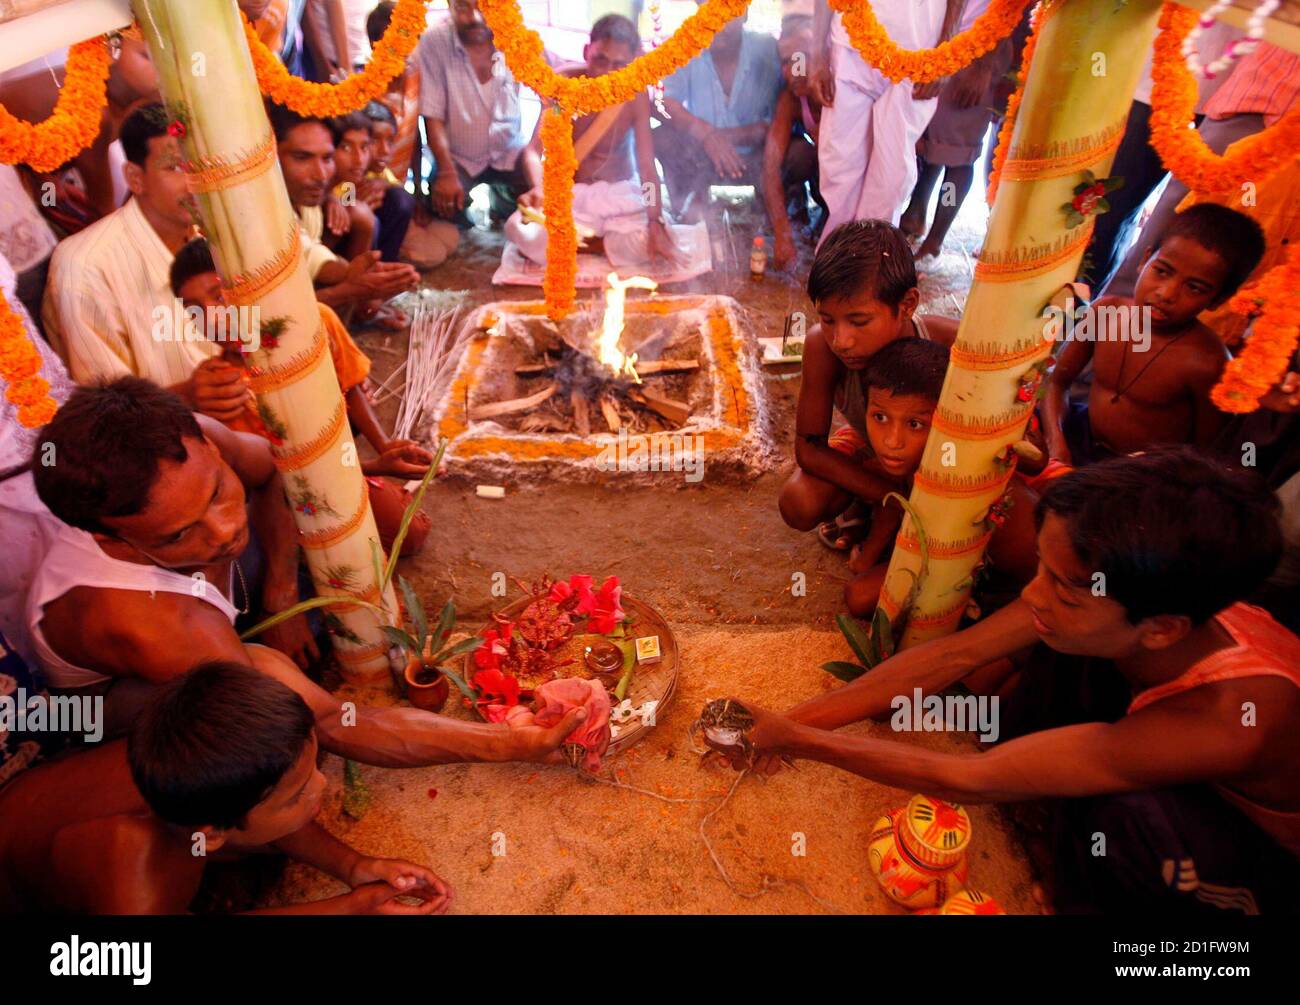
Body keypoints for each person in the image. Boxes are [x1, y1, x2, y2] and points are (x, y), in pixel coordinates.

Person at [729, 449, 1300, 914]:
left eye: (1063, 588)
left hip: (1256, 862)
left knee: (1128, 816)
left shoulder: (1233, 720)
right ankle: (1052, 820)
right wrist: (788, 721)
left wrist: (801, 742)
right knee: (1058, 645)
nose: (1032, 593)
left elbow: (974, 779)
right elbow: (953, 656)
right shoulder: (1120, 603)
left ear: (1163, 629)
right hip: (1133, 709)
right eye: (1042, 572)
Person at [23, 379, 587, 766]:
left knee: (391, 523)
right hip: (135, 703)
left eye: (219, 493)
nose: (222, 531)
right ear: (108, 536)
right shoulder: (149, 622)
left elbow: (274, 474)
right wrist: (502, 744)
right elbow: (333, 721)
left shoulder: (190, 439)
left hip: (227, 602)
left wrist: (278, 594)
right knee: (276, 720)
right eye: (179, 533)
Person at [0, 663, 453, 914]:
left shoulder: (195, 760)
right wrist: (351, 910)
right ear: (211, 833)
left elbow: (253, 807)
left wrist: (354, 865)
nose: (321, 788)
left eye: (313, 768)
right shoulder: (140, 882)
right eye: (297, 795)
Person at [169, 237, 435, 554]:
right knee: (393, 534)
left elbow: (349, 384)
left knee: (411, 532)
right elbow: (281, 475)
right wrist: (374, 466)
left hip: (334, 460)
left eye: (219, 297)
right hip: (285, 497)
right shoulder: (222, 388)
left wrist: (383, 445)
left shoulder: (316, 320)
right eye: (195, 311)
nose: (211, 318)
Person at [40, 103, 249, 425]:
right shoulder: (84, 269)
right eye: (176, 167)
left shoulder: (215, 233)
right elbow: (104, 413)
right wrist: (187, 396)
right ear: (135, 178)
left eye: (203, 162)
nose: (197, 181)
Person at [778, 220, 957, 550]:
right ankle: (873, 505)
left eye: (859, 322)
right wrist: (890, 497)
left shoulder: (948, 343)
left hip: (936, 460)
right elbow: (809, 448)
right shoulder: (822, 348)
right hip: (869, 441)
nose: (841, 341)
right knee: (799, 503)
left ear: (906, 305)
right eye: (828, 320)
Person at [1042, 203, 1266, 466]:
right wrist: (1057, 443)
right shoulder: (1106, 312)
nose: (1166, 293)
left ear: (1219, 299)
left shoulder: (1209, 364)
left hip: (1141, 474)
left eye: (1194, 287)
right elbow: (1057, 382)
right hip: (1078, 436)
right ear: (1144, 259)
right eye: (1162, 271)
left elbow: (1206, 453)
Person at [840, 338, 1038, 616]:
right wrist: (868, 556)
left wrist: (868, 563)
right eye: (880, 417)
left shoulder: (955, 475)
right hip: (960, 556)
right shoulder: (908, 460)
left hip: (1029, 585)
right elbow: (896, 500)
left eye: (915, 424)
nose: (893, 441)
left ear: (945, 418)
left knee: (859, 597)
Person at [1104, 42, 1299, 300]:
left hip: (1261, 108)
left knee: (1263, 290)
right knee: (1166, 245)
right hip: (1261, 106)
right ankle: (1106, 337)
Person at [504, 15, 682, 269]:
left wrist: (655, 221)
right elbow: (533, 151)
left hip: (619, 195)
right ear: (587, 52)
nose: (607, 73)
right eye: (601, 59)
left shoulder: (636, 95)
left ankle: (582, 245)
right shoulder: (563, 86)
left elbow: (646, 168)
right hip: (570, 197)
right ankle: (600, 245)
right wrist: (540, 189)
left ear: (633, 62)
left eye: (619, 65)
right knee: (518, 228)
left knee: (655, 234)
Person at [810, 0, 976, 238]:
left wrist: (944, 56)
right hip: (850, 43)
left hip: (919, 53)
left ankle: (869, 261)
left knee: (891, 174)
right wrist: (816, 54)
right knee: (838, 165)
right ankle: (837, 260)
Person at [269, 102, 420, 319]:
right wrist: (354, 287)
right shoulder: (263, 212)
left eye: (327, 158)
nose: (320, 174)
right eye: (302, 158)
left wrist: (361, 278)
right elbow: (271, 316)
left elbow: (314, 255)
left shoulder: (317, 195)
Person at [656, 4, 783, 221]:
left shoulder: (768, 49)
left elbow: (786, 109)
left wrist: (723, 138)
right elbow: (664, 104)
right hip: (701, 153)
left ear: (744, 13)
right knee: (660, 137)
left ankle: (783, 211)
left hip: (759, 154)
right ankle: (686, 206)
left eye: (727, 11)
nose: (718, 23)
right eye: (710, 11)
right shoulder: (683, 46)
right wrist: (705, 134)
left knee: (801, 154)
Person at [416, 0, 535, 226]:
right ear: (450, 5)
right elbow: (432, 116)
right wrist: (447, 171)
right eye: (463, 7)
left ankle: (502, 205)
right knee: (442, 208)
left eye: (485, 6)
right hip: (459, 159)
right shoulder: (434, 42)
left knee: (541, 196)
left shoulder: (518, 36)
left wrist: (533, 150)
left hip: (510, 153)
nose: (475, 17)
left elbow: (554, 93)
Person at [899, 36, 1013, 261]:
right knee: (934, 140)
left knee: (957, 153)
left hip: (978, 52)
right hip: (942, 47)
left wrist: (983, 65)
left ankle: (935, 239)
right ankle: (916, 213)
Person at [761, 14, 828, 271]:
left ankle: (831, 218)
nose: (792, 71)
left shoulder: (843, 90)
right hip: (827, 174)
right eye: (785, 62)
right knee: (801, 153)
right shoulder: (790, 100)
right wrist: (782, 234)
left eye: (800, 58)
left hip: (859, 181)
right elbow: (770, 167)